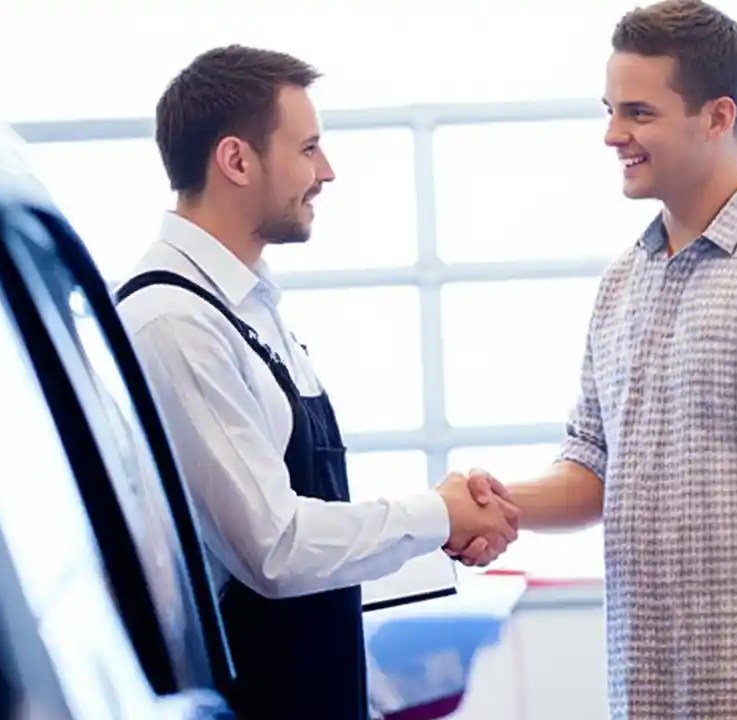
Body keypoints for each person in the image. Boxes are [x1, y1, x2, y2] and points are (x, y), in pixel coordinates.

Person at [451, 2, 737, 718]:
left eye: (638, 112)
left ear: (718, 116)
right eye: (609, 110)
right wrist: (495, 503)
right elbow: (597, 465)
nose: (612, 135)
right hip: (647, 696)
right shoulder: (622, 283)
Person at [116, 46, 518, 720]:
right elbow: (275, 550)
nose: (326, 172)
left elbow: (306, 534)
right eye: (307, 149)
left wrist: (438, 531)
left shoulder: (248, 311)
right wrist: (439, 512)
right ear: (237, 160)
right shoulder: (174, 322)